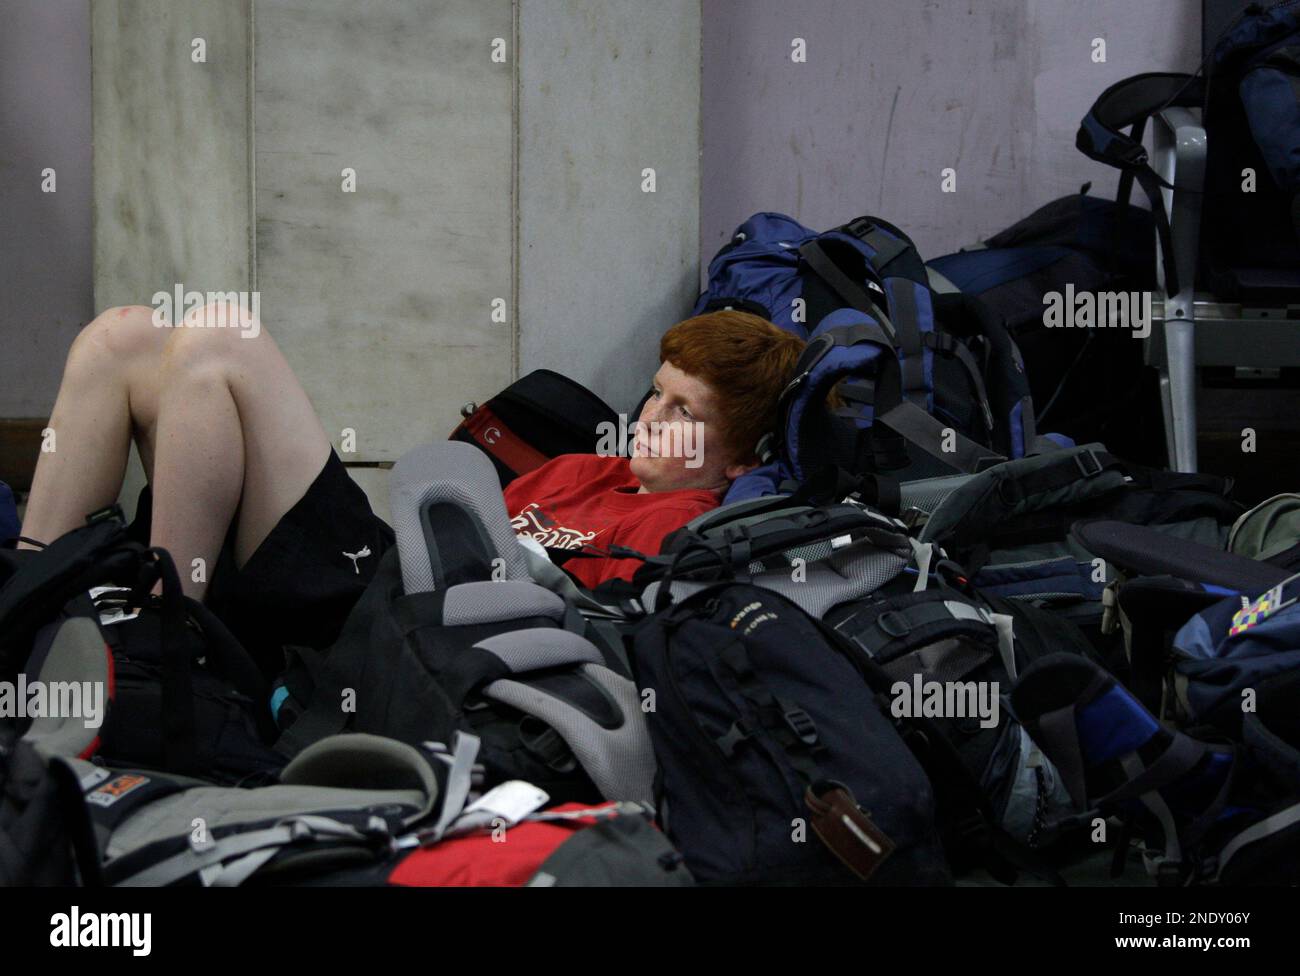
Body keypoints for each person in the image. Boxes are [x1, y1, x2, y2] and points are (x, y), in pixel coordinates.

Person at [18, 303, 804, 671]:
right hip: (388, 572)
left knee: (225, 341)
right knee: (119, 338)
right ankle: (23, 609)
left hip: (394, 623)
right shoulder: (581, 470)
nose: (647, 418)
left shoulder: (681, 536)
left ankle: (161, 649)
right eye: (655, 393)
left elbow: (580, 637)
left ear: (738, 460)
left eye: (682, 412)